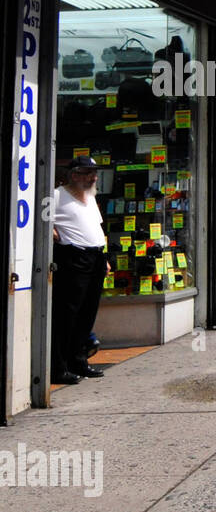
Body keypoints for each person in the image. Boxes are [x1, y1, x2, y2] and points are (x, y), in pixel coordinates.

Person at [50, 156, 112, 384]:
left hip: (95, 257)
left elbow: (96, 226)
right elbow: (41, 224)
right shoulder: (55, 196)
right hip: (74, 257)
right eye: (88, 173)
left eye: (94, 173)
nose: (93, 177)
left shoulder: (91, 196)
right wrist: (56, 235)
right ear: (74, 174)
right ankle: (58, 367)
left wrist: (103, 257)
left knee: (87, 313)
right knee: (67, 314)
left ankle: (79, 361)